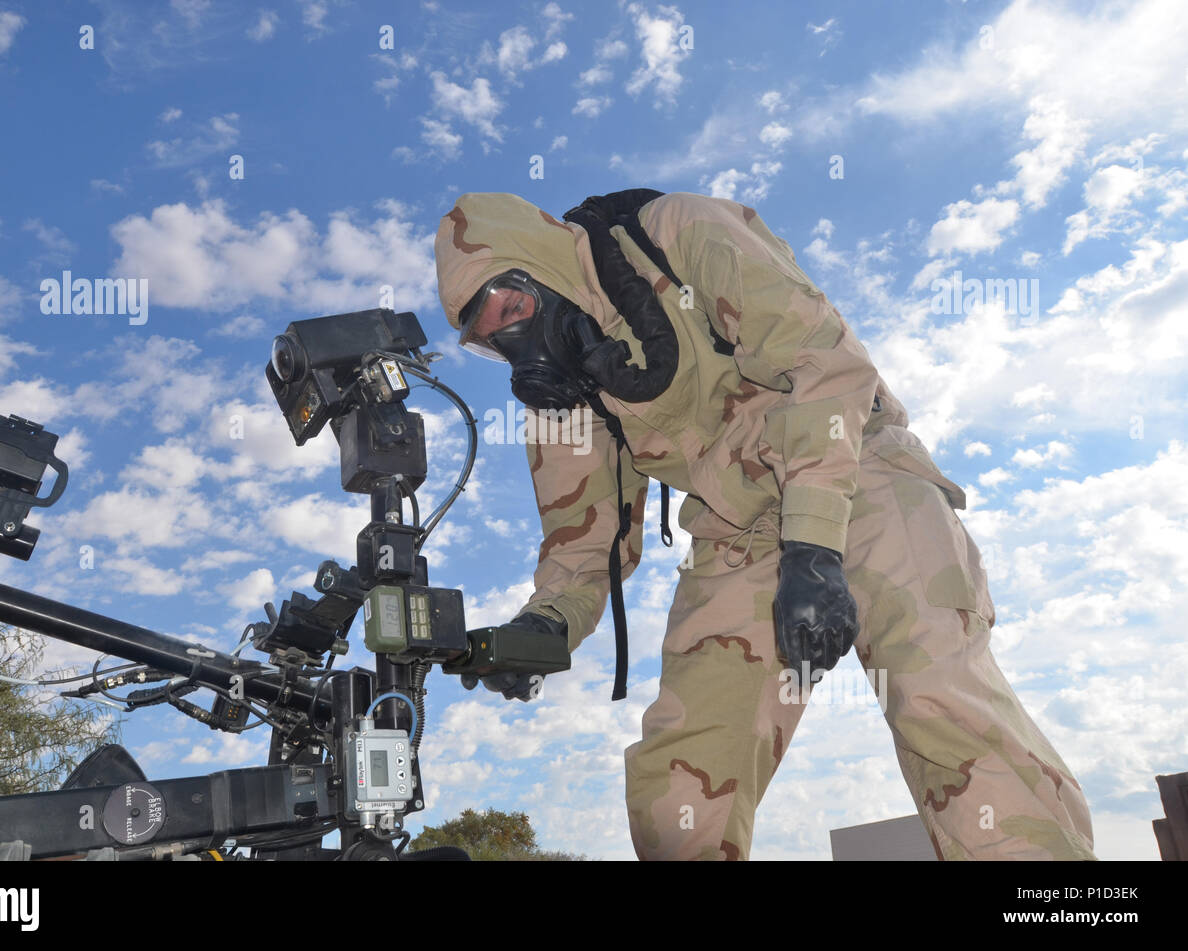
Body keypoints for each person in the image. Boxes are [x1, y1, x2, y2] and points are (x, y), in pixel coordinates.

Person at [433, 188, 1096, 861]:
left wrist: (811, 545)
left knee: (937, 697)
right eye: (493, 342)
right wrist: (544, 625)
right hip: (733, 533)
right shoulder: (559, 395)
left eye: (515, 309)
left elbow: (822, 366)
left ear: (543, 262)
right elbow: (584, 544)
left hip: (856, 469)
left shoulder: (680, 230)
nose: (520, 347)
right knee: (680, 787)